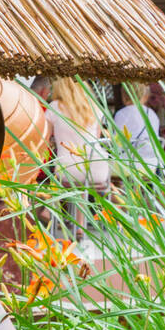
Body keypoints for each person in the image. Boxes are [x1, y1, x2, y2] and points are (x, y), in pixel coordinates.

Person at [46, 79, 110, 231]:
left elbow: (45, 139)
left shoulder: (55, 107)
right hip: (98, 168)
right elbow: (96, 137)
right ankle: (79, 225)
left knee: (58, 175)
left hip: (69, 168)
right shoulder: (94, 107)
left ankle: (48, 210)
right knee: (83, 182)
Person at [113, 83, 161, 170]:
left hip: (129, 164)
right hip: (151, 164)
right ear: (145, 95)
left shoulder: (122, 114)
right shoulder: (152, 114)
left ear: (124, 95)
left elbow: (117, 142)